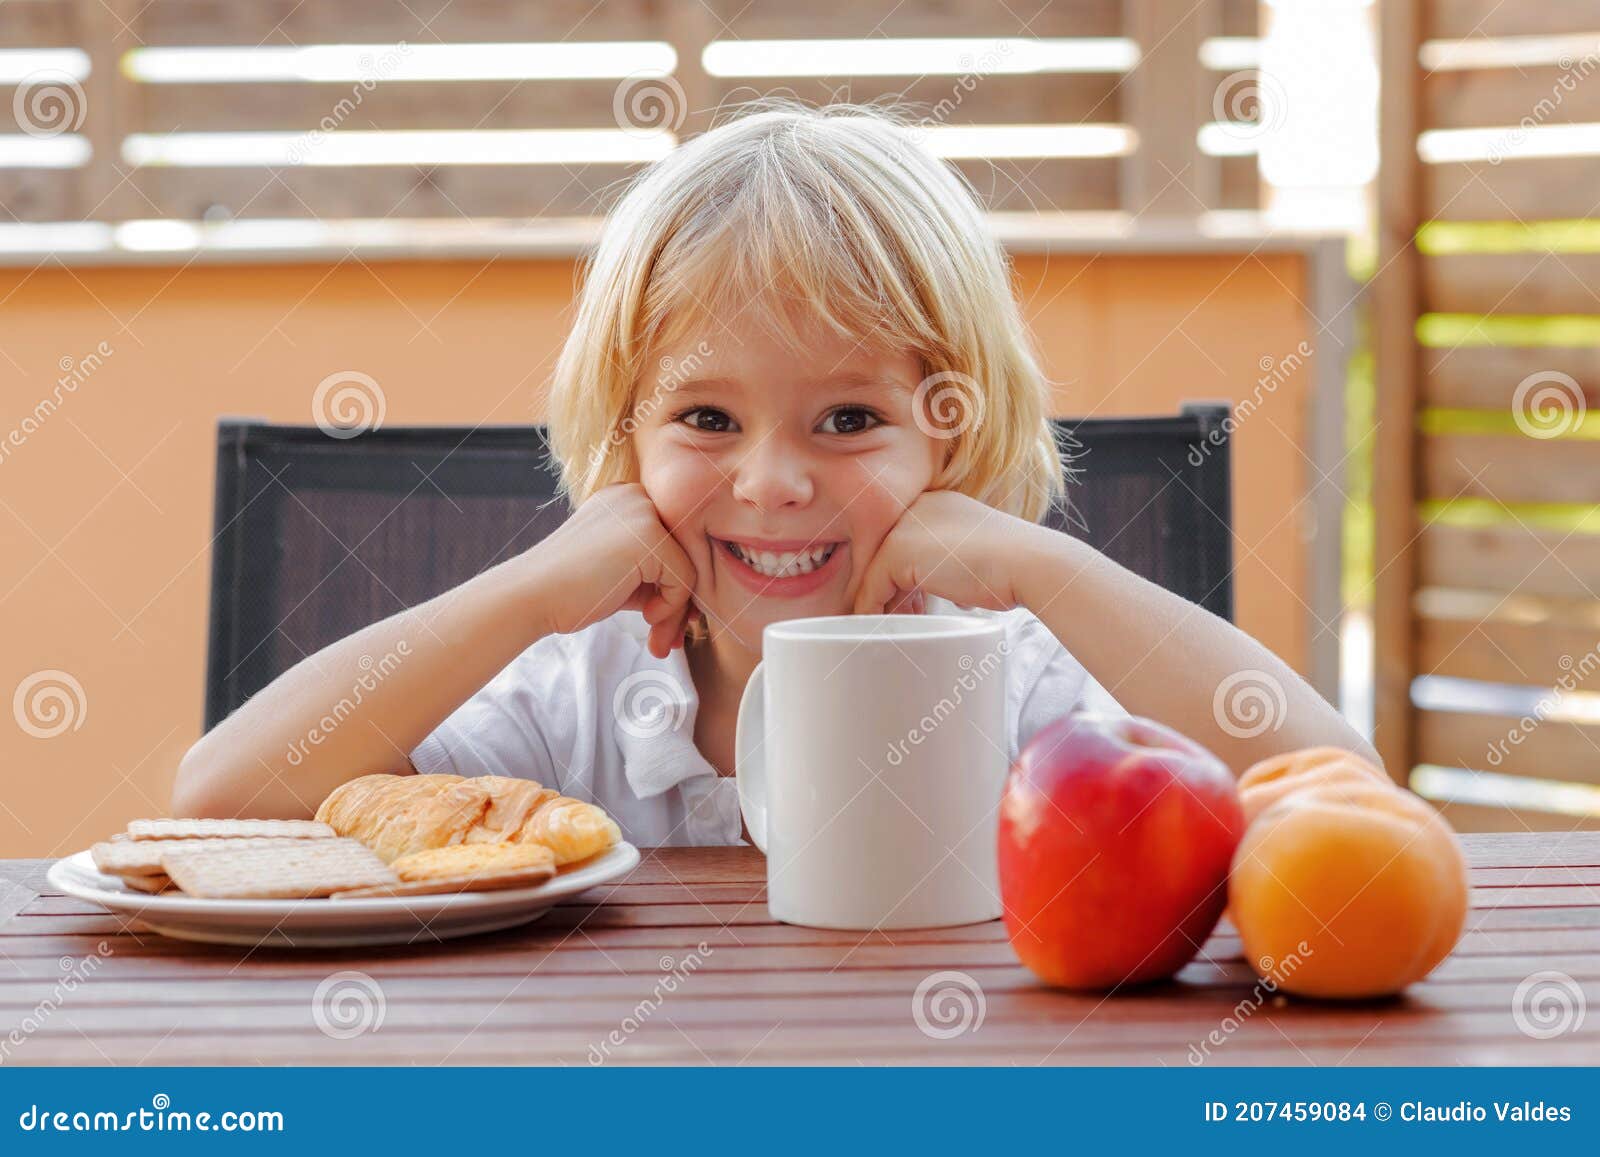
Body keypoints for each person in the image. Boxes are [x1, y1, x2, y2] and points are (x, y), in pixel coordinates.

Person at [172, 101, 1376, 844]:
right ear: (625, 442)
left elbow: (1334, 794)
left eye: (848, 417)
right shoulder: (574, 695)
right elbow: (220, 800)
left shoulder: (1011, 681)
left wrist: (1043, 568)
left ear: (949, 441)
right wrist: (528, 591)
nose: (771, 482)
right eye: (705, 416)